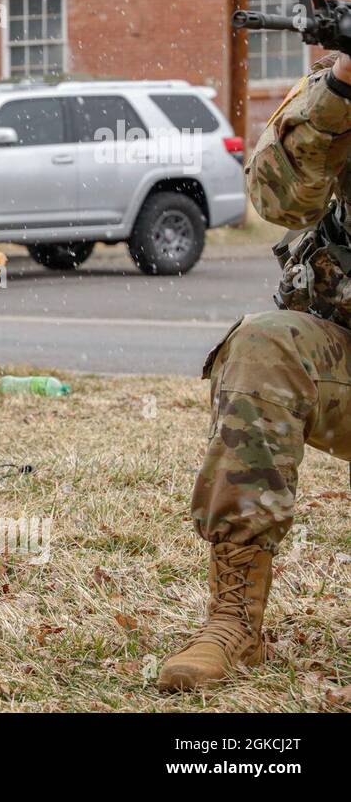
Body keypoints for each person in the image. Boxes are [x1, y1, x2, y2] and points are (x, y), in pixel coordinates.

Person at [158, 49, 351, 691]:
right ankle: (235, 619)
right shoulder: (336, 92)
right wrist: (339, 92)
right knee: (262, 346)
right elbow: (278, 199)